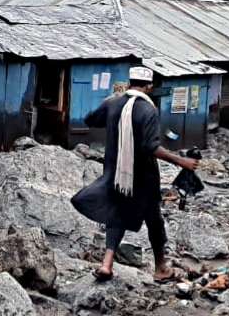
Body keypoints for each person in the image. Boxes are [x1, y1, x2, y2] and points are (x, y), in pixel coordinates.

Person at [71, 66, 199, 282]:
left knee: (116, 215)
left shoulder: (114, 103)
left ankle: (106, 265)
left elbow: (90, 120)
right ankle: (161, 268)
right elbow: (151, 146)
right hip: (143, 177)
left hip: (115, 172)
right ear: (149, 86)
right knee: (154, 220)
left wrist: (109, 102)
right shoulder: (148, 110)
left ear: (130, 82)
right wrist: (181, 161)